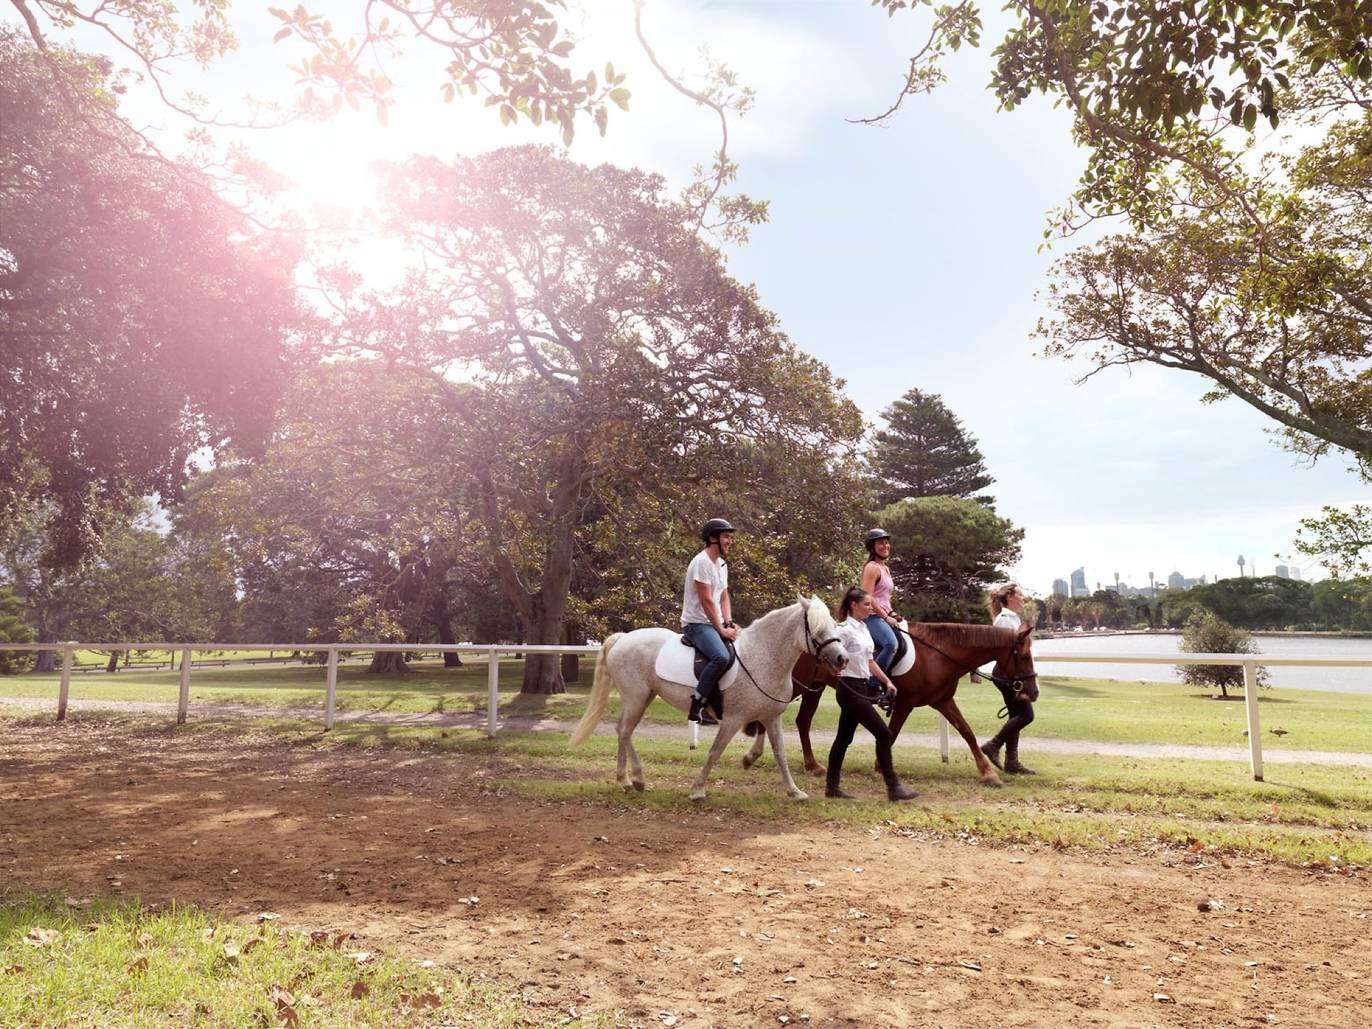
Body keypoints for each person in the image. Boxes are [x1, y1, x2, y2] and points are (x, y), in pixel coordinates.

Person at [825, 587, 919, 802]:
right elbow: (828, 654)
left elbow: (869, 661)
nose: (870, 608)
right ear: (853, 606)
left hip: (862, 687)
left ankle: (832, 787)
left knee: (843, 738)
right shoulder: (843, 629)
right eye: (866, 604)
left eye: (870, 604)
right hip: (849, 689)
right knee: (884, 734)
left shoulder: (864, 629)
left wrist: (887, 681)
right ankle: (893, 787)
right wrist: (832, 668)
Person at [681, 517, 737, 724]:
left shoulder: (721, 564)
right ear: (712, 538)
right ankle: (698, 703)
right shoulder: (702, 563)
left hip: (714, 623)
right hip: (696, 625)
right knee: (721, 657)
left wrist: (728, 622)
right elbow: (706, 601)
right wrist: (721, 630)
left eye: (730, 537)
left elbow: (723, 596)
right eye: (725, 536)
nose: (729, 541)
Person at [978, 582, 1037, 775]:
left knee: (1016, 716)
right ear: (1010, 596)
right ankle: (993, 745)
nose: (1022, 598)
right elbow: (1004, 653)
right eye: (1020, 594)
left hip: (1010, 675)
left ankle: (1012, 762)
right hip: (1007, 676)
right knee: (1026, 715)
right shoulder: (1004, 619)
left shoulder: (1012, 618)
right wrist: (1016, 682)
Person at [860, 528, 901, 675]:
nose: (885, 546)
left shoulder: (885, 569)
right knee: (891, 644)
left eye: (886, 542)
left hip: (882, 616)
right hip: (871, 617)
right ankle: (873, 684)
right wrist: (886, 617)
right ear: (872, 547)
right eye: (880, 543)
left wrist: (891, 613)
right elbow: (868, 597)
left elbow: (882, 598)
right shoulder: (872, 568)